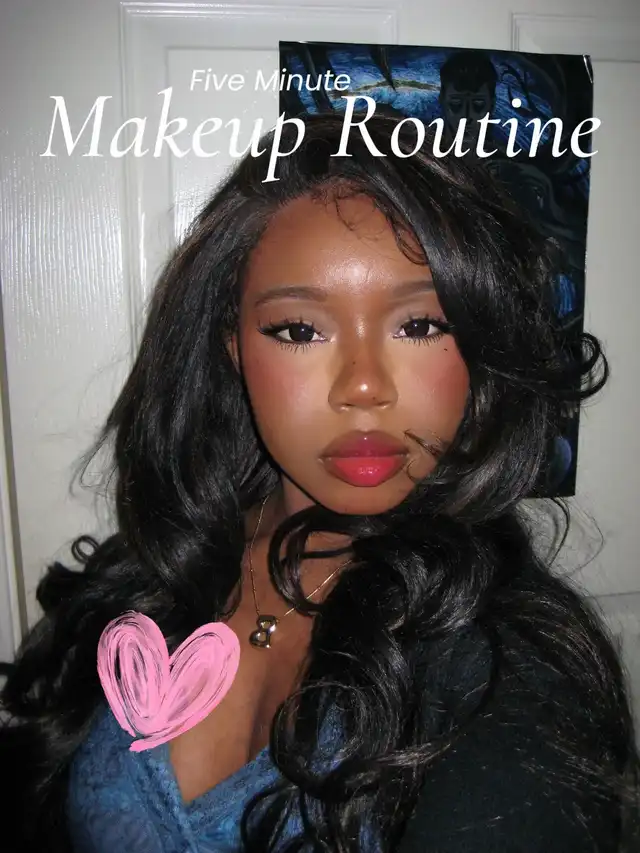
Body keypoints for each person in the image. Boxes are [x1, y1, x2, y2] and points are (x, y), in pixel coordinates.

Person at [0, 112, 638, 853]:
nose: (363, 387)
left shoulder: (509, 671)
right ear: (233, 346)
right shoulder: (173, 555)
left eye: (420, 325)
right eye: (300, 330)